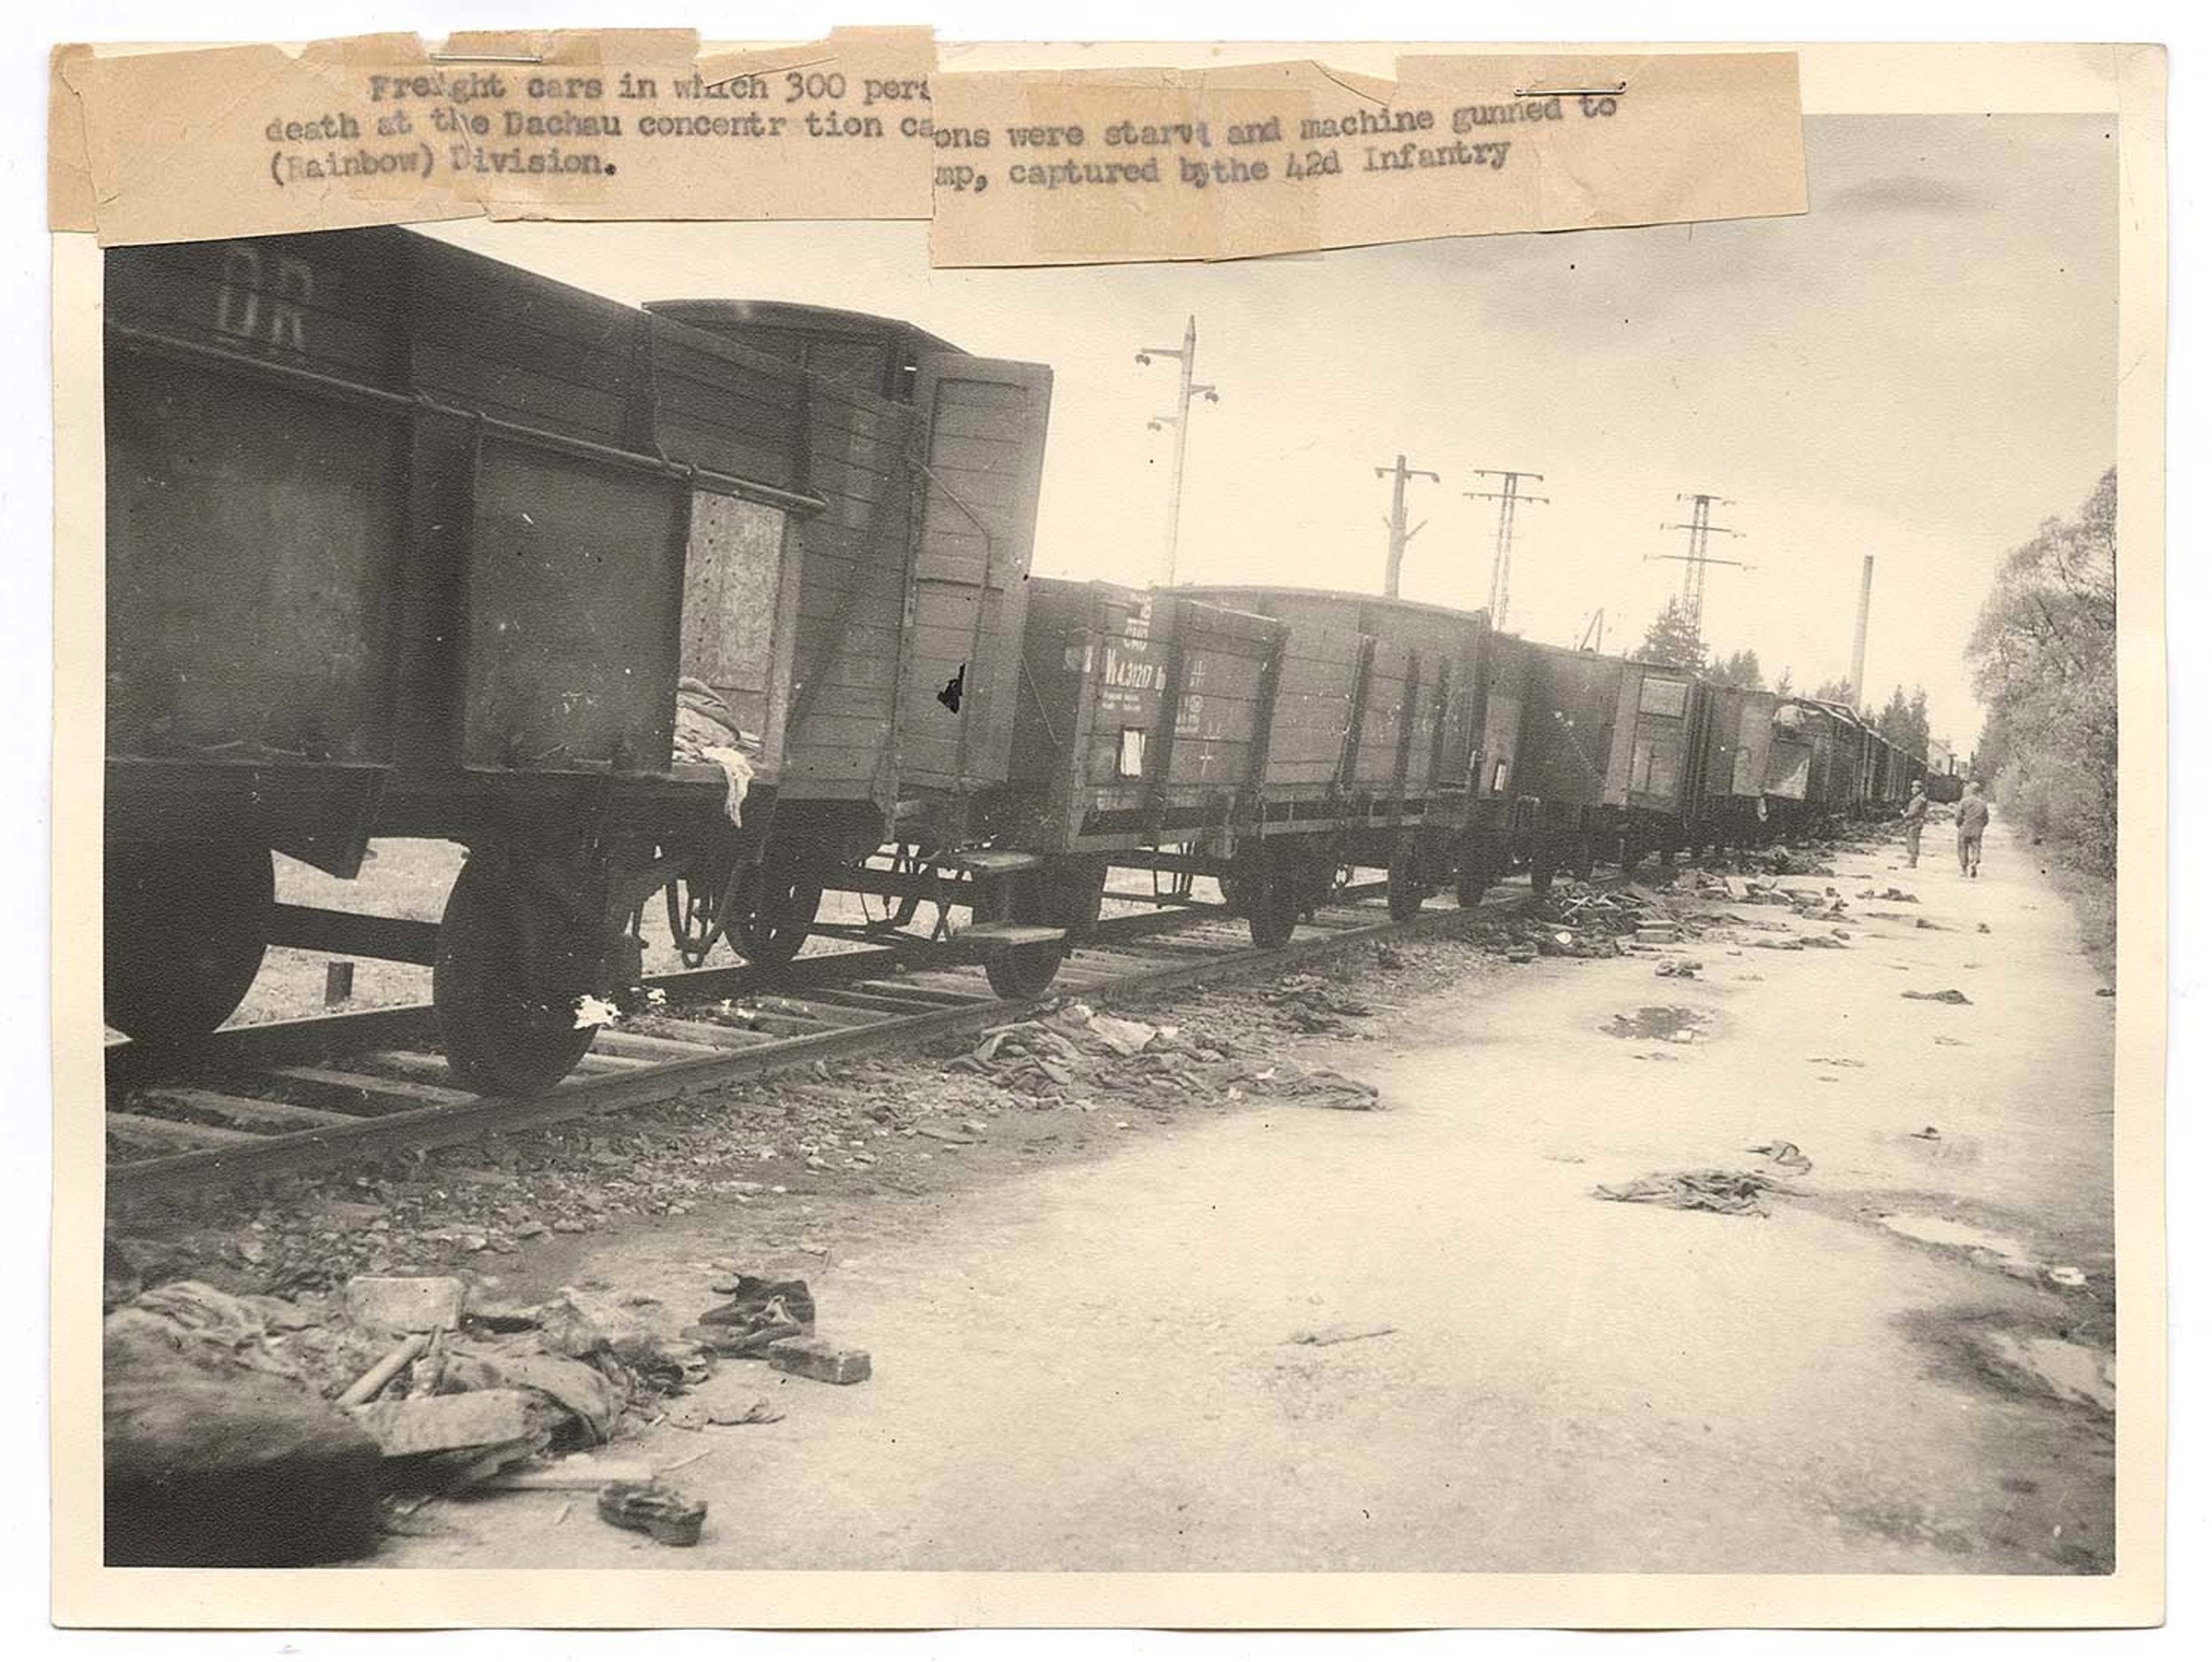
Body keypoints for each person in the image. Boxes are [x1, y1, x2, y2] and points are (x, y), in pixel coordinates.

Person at [1956, 781, 1991, 877]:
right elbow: (1986, 819)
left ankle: (1964, 869)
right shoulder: (1983, 803)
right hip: (1977, 829)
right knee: (1976, 847)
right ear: (1978, 791)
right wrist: (1981, 826)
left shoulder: (1964, 802)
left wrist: (1959, 825)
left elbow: (1958, 816)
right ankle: (1974, 862)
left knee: (1963, 847)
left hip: (1965, 827)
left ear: (1970, 790)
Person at [1901, 778, 1929, 868]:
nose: (1913, 789)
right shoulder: (1919, 798)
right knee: (1912, 840)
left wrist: (1905, 814)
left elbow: (1913, 812)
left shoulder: (1919, 799)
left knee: (1912, 841)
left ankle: (1912, 861)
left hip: (1914, 822)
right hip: (1914, 822)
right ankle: (1912, 860)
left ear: (1919, 788)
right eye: (1912, 787)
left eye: (1915, 787)